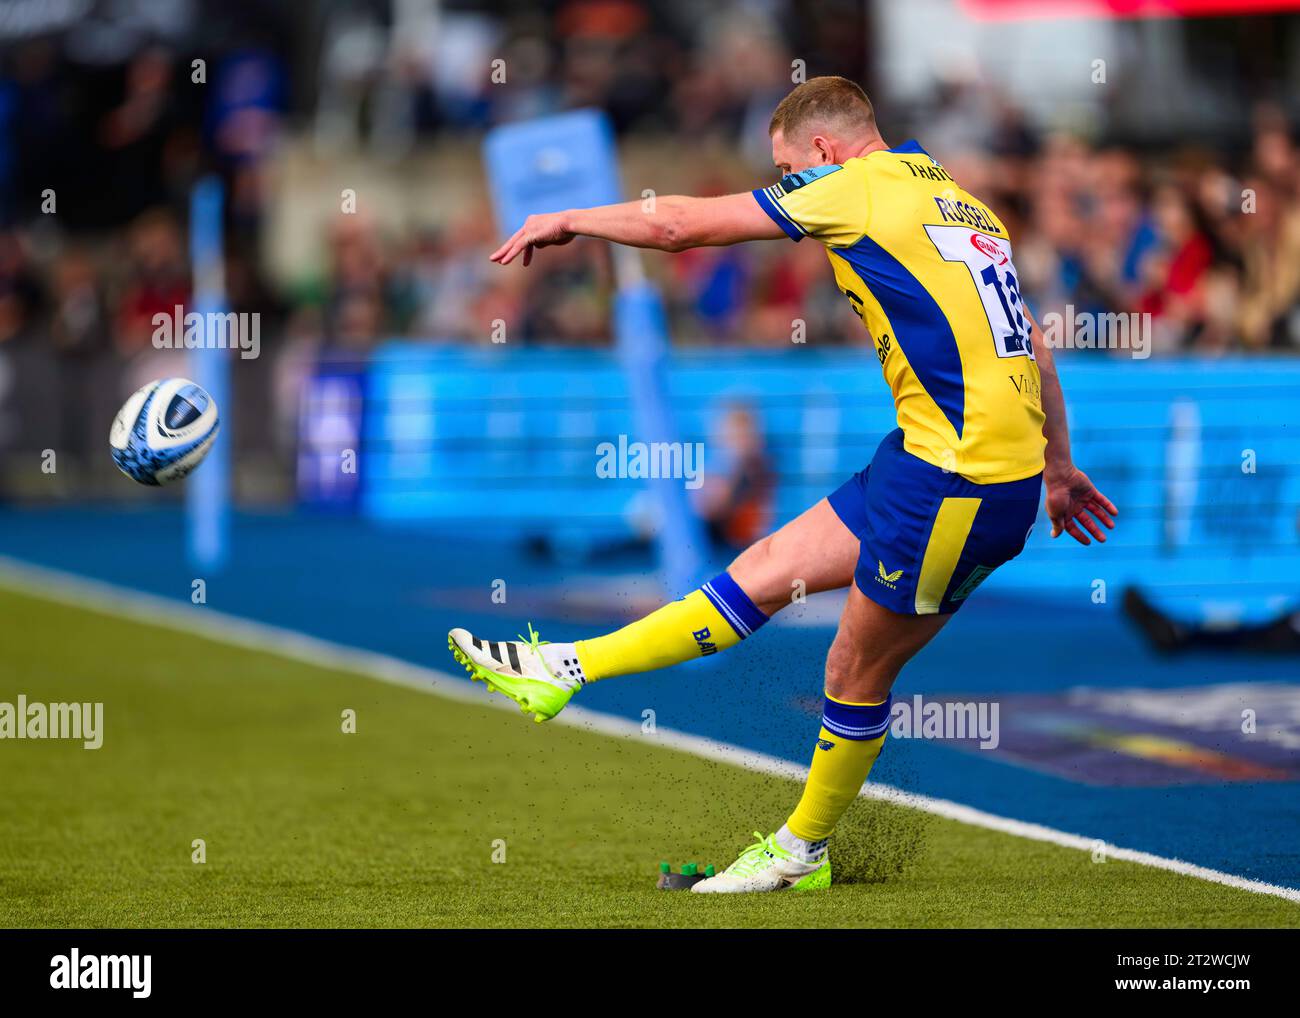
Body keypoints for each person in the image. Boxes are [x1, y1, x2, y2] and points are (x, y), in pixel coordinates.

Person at [447, 77, 1117, 893]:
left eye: (785, 166)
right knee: (762, 571)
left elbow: (678, 225)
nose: (783, 181)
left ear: (824, 151)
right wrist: (1057, 462)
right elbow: (1033, 343)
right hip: (927, 455)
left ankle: (801, 853)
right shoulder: (960, 202)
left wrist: (571, 219)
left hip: (962, 480)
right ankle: (563, 671)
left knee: (853, 672)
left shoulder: (853, 187)